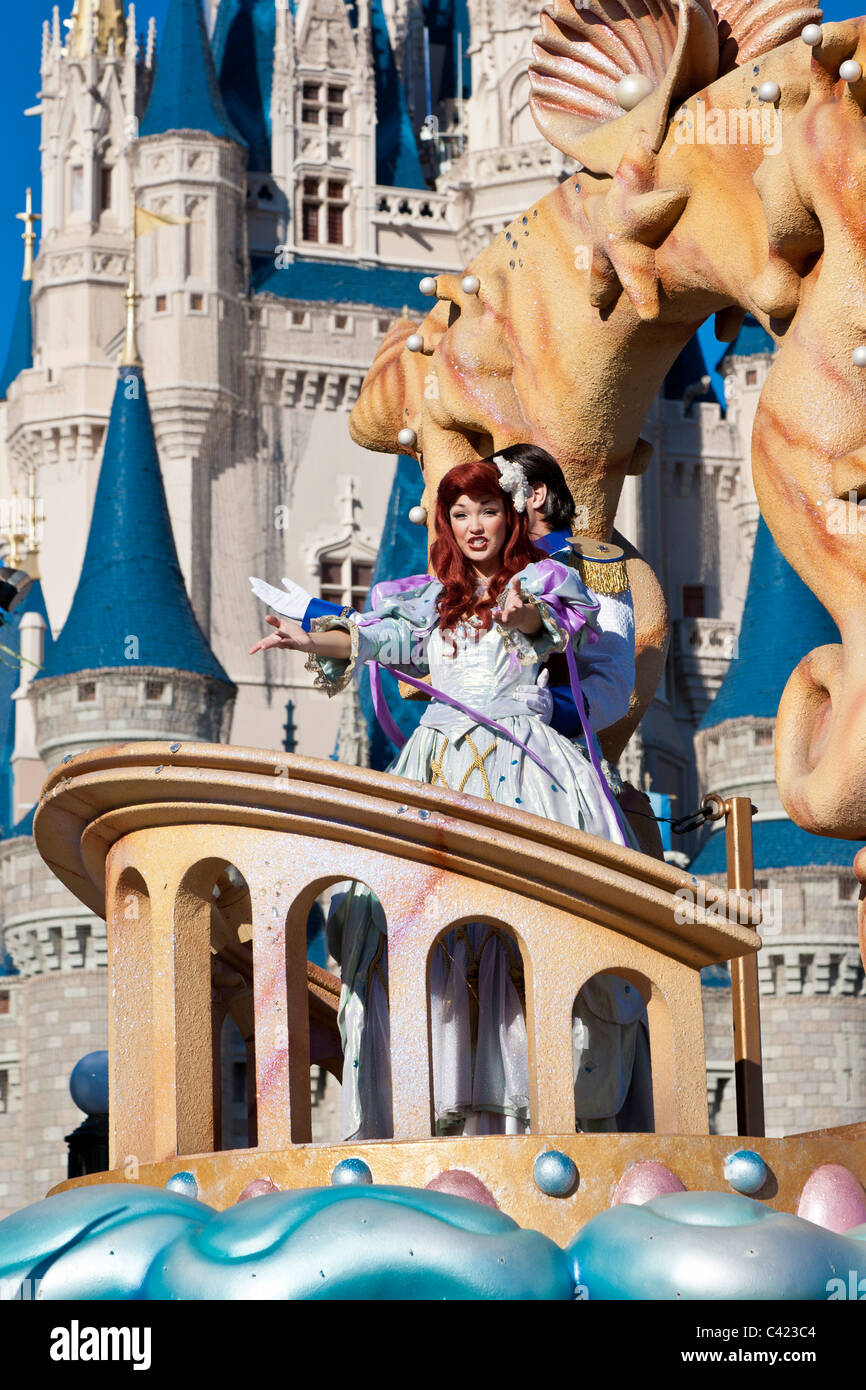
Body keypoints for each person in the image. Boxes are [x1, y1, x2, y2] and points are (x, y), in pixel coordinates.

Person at [250, 454, 651, 1139]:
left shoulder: (546, 578)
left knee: (521, 913)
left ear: (512, 515)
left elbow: (552, 628)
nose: (474, 526)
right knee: (408, 920)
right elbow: (375, 639)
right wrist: (307, 635)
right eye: (460, 514)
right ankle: (432, 1088)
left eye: (487, 510)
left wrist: (525, 622)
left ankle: (528, 1093)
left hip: (522, 763)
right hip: (436, 761)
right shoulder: (434, 599)